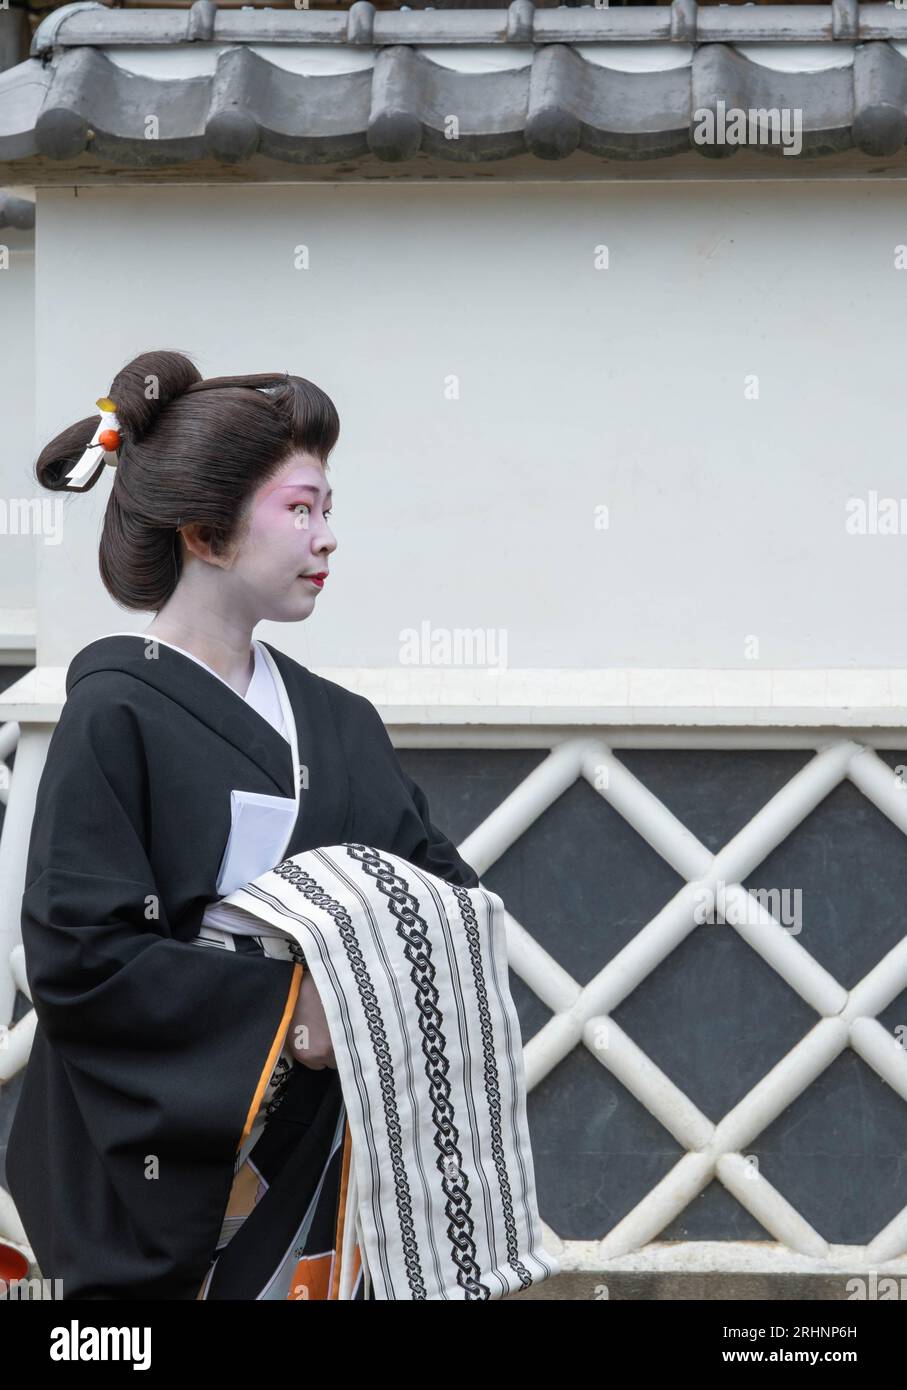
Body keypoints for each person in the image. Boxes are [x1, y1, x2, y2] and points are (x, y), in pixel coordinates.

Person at [4, 349, 479, 1300]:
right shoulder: (117, 710)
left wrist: (368, 996)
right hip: (153, 1154)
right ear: (206, 535)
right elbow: (78, 952)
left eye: (327, 510)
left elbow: (443, 896)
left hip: (325, 1140)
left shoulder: (339, 722)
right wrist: (294, 1017)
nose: (326, 537)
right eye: (300, 509)